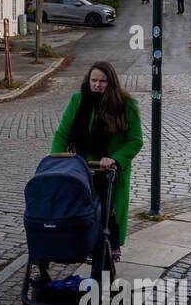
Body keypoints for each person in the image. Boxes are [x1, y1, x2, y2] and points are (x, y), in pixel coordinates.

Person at [48, 61, 143, 267]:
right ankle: (81, 244)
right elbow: (62, 134)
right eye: (94, 80)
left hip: (109, 169)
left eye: (103, 81)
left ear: (111, 82)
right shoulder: (78, 100)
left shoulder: (126, 105)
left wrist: (116, 158)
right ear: (88, 80)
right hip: (81, 168)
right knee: (80, 208)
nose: (98, 85)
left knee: (108, 212)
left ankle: (108, 248)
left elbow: (135, 140)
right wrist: (57, 161)